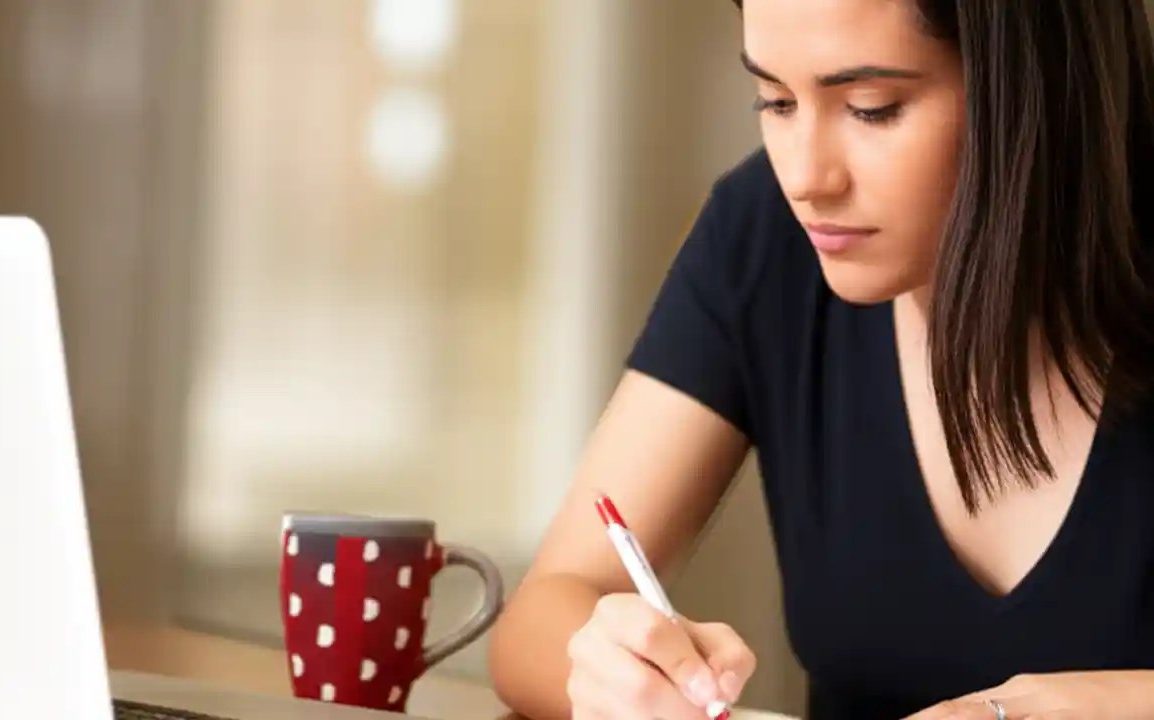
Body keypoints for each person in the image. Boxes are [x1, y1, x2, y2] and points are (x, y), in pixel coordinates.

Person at [488, 0, 1154, 718]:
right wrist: (613, 673)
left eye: (872, 108)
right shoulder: (764, 237)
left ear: (1039, 89)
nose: (806, 178)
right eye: (774, 100)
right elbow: (541, 616)